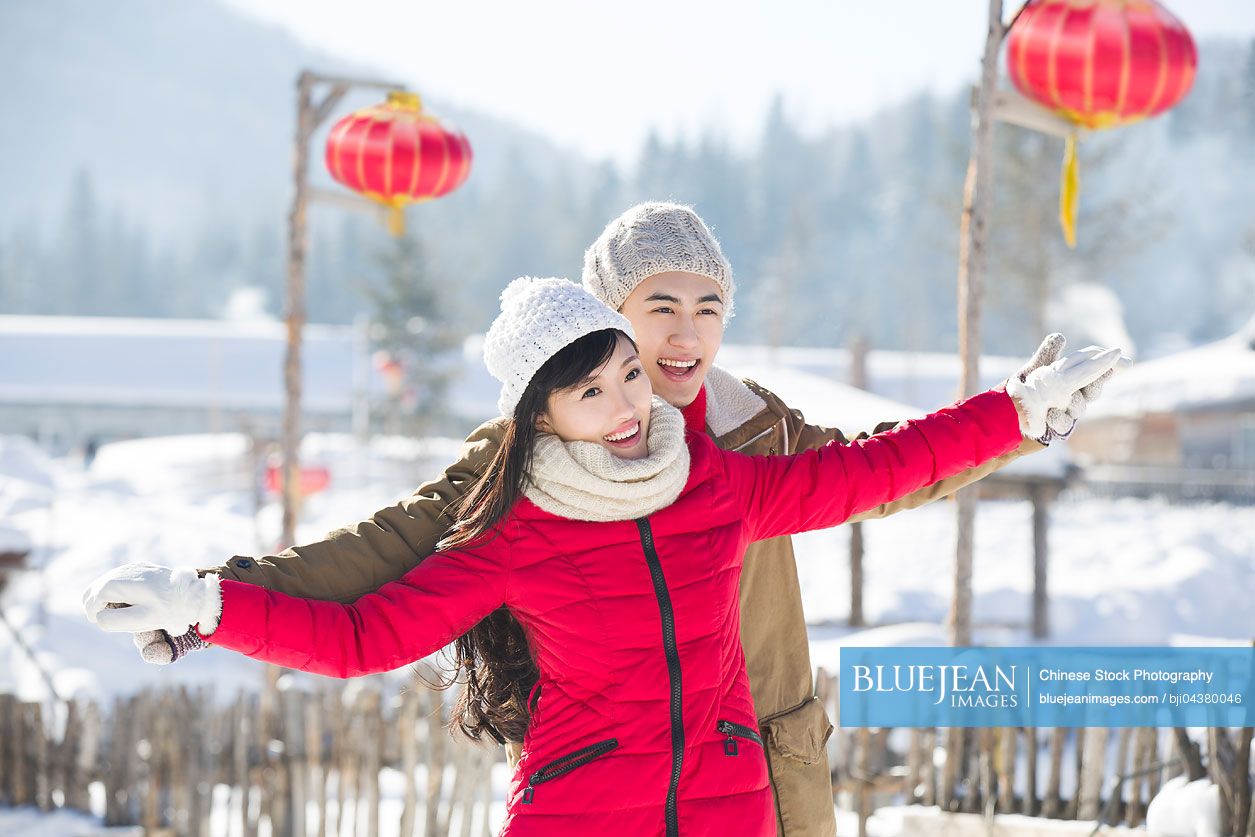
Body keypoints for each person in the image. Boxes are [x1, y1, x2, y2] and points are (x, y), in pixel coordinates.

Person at [121, 203, 1110, 836]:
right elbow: (372, 590)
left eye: (707, 305)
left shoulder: (740, 449)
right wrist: (209, 602)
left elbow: (879, 470)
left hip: (756, 775)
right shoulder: (512, 503)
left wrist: (1017, 416)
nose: (680, 337)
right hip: (597, 797)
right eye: (654, 308)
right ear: (595, 328)